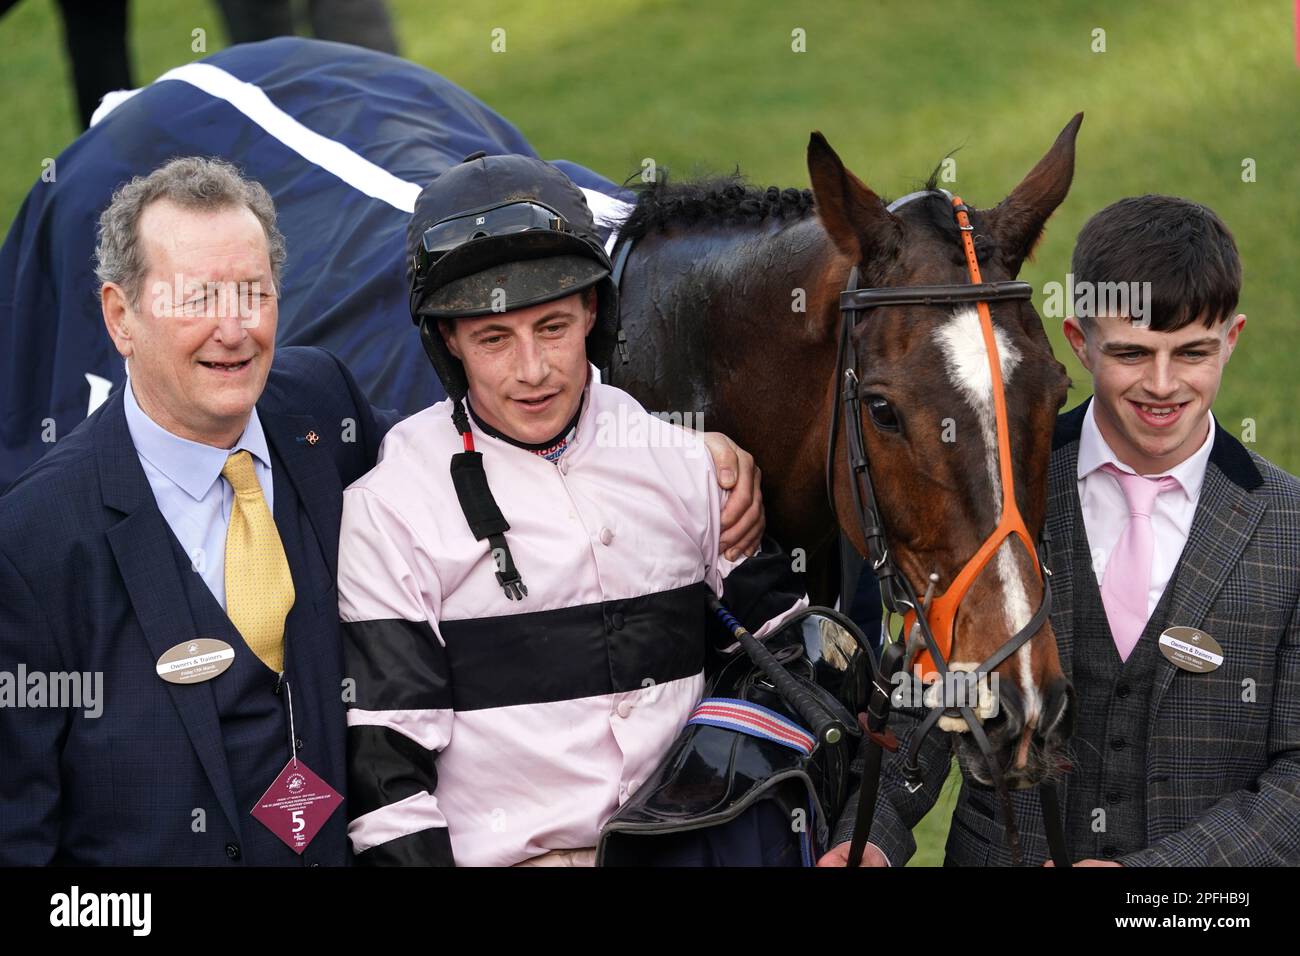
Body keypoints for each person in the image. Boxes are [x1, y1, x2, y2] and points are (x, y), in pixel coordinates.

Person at [0, 155, 765, 866]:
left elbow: (493, 431)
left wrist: (695, 451)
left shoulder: (321, 409)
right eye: (197, 298)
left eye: (253, 292)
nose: (233, 329)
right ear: (120, 316)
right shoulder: (33, 545)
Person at [340, 154, 807, 867]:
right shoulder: (389, 512)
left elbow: (794, 667)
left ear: (594, 310)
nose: (533, 370)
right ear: (448, 341)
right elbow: (387, 788)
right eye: (495, 339)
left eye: (553, 327)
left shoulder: (688, 466)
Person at [821, 194, 1299, 867]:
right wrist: (875, 833)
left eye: (1191, 353)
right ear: (1078, 342)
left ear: (1233, 338)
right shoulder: (995, 485)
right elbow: (927, 690)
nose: (1163, 386)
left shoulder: (1290, 528)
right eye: (1131, 354)